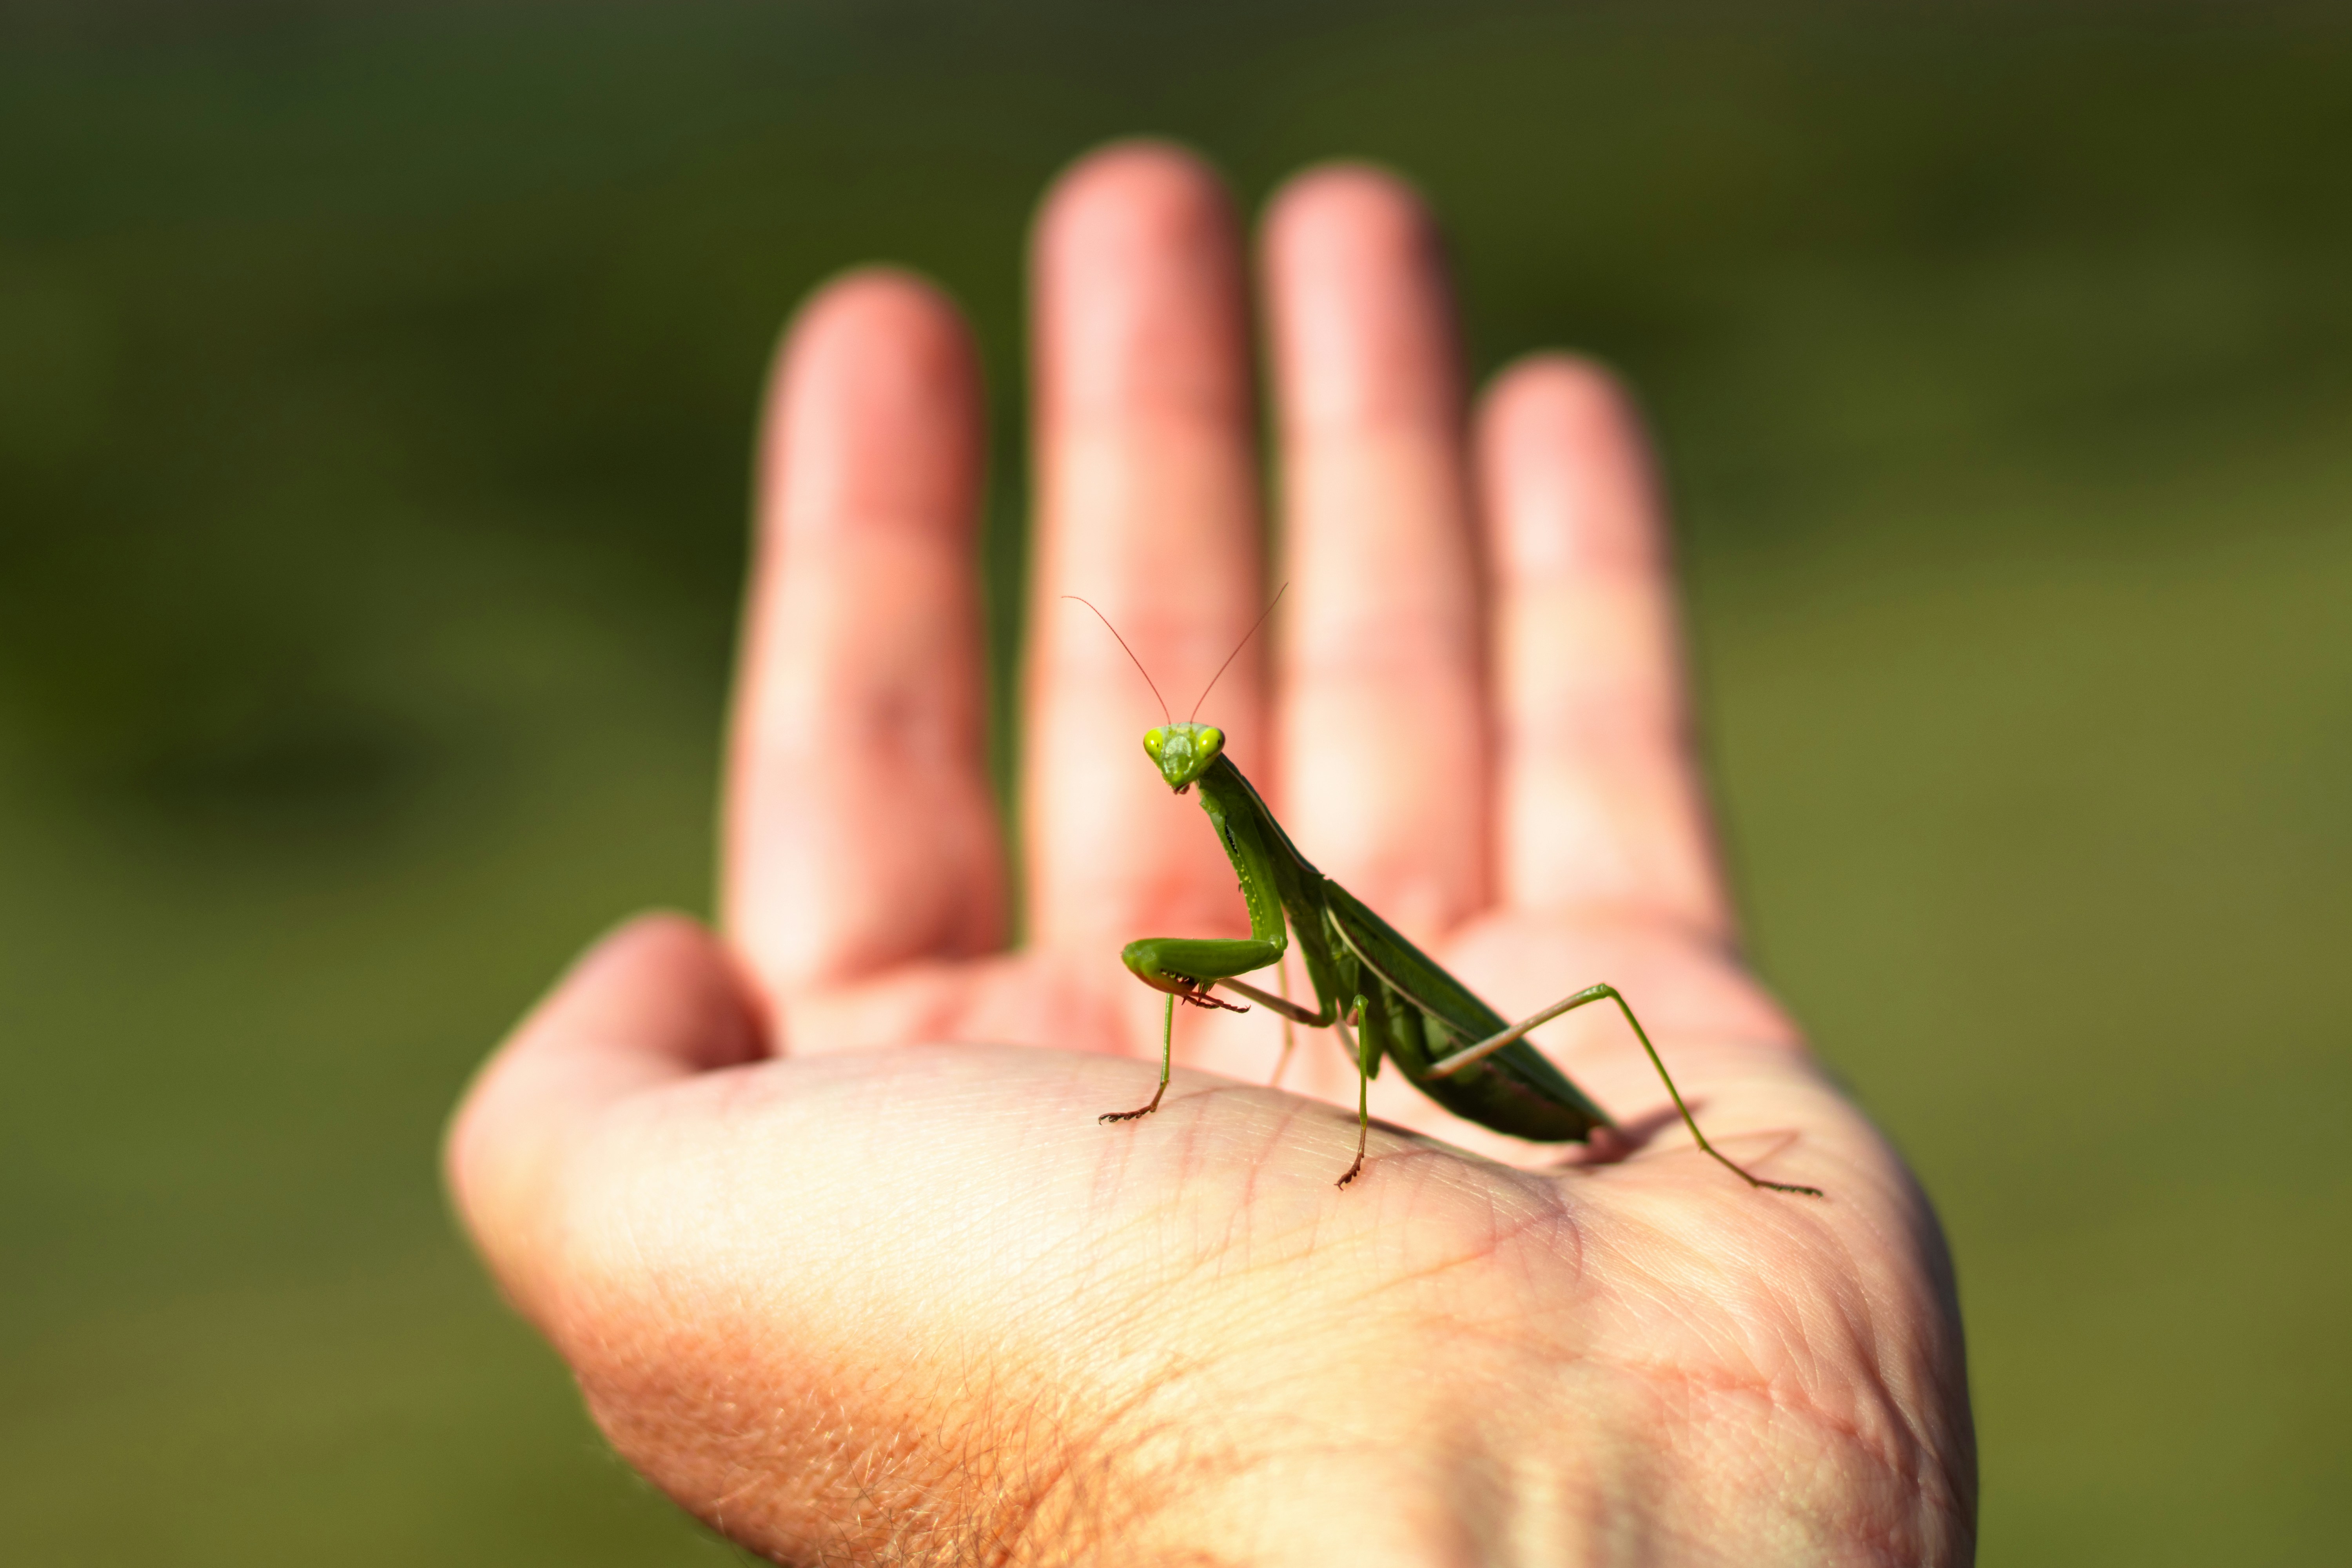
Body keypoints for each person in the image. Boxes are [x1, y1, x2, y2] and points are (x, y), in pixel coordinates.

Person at [445, 141, 1975, 1564]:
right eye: (1175, 759)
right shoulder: (1253, 887)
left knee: (1562, 1009)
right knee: (1290, 993)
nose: (1180, 768)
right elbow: (1294, 987)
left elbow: (1355, 1010)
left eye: (1194, 757)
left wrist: (1379, 1132)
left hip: (1497, 1071)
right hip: (1428, 1062)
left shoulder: (1288, 884)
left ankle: (1694, 1139)